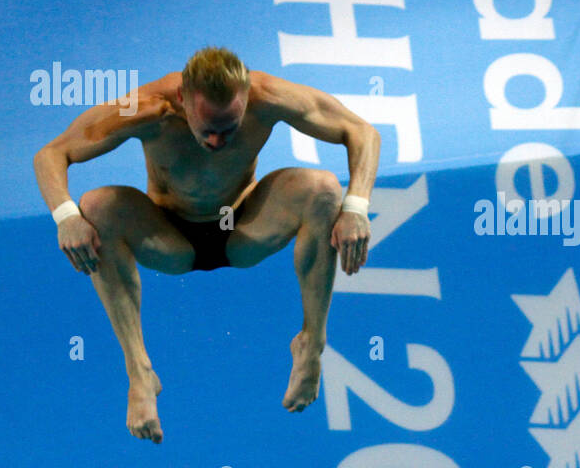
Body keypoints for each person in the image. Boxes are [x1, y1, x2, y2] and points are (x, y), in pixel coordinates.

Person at [32, 47, 381, 443]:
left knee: (323, 190)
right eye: (207, 129)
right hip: (169, 237)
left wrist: (356, 207)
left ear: (247, 98)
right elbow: (52, 154)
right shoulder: (143, 108)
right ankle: (139, 370)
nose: (217, 141)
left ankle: (312, 343)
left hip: (243, 230)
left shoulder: (270, 96)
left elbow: (363, 132)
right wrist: (66, 217)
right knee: (95, 206)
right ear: (182, 99)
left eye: (228, 129)